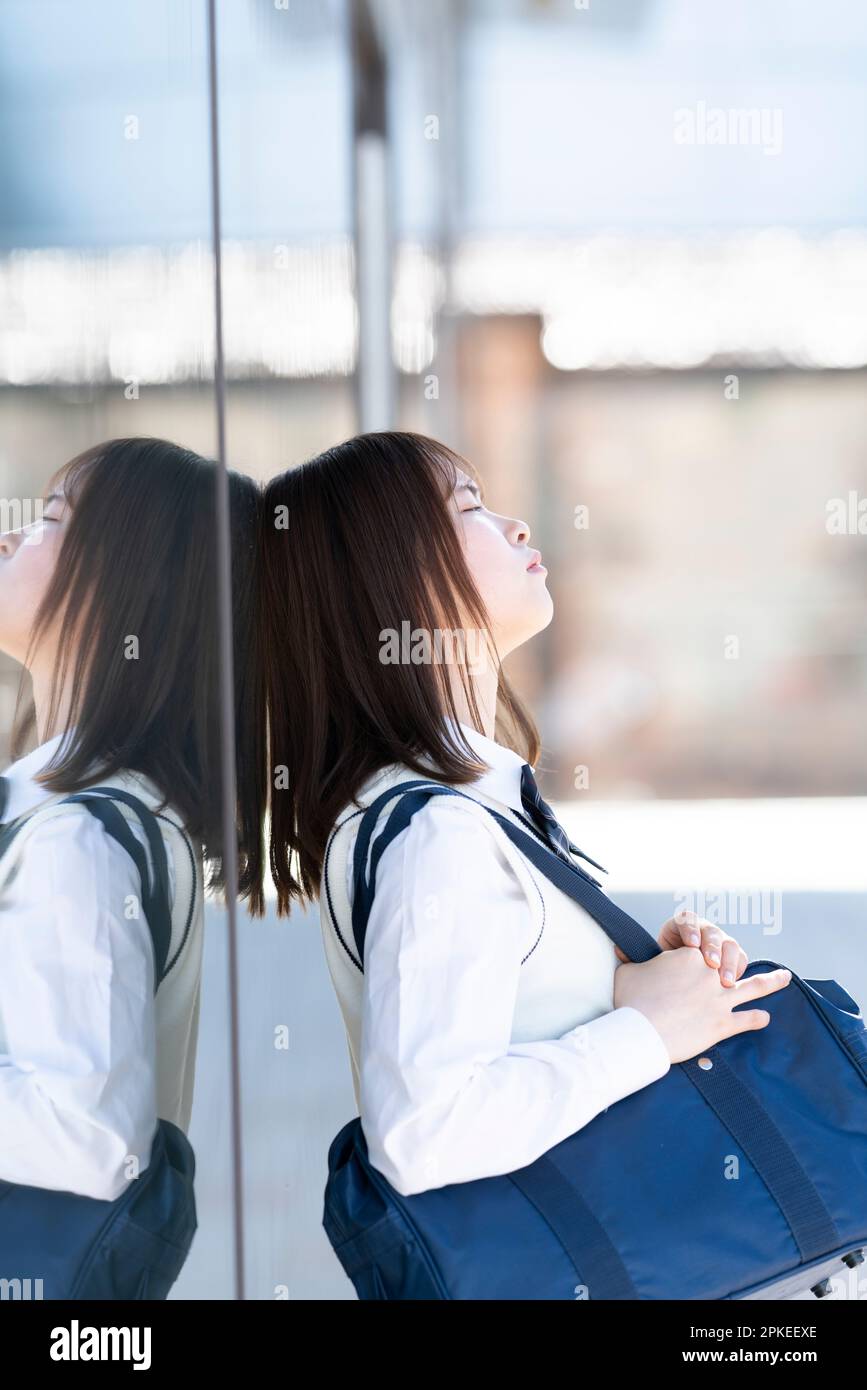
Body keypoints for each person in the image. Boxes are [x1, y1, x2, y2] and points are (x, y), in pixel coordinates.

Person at [260, 429, 792, 1198]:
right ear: (390, 577)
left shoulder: (465, 805)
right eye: (468, 507)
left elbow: (508, 1027)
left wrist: (624, 982)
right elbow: (425, 1134)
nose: (514, 526)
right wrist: (646, 1032)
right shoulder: (436, 830)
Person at [0, 436, 266, 1200]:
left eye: (51, 519)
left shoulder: (78, 836)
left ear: (131, 579)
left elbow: (85, 1139)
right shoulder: (89, 812)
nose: (11, 535)